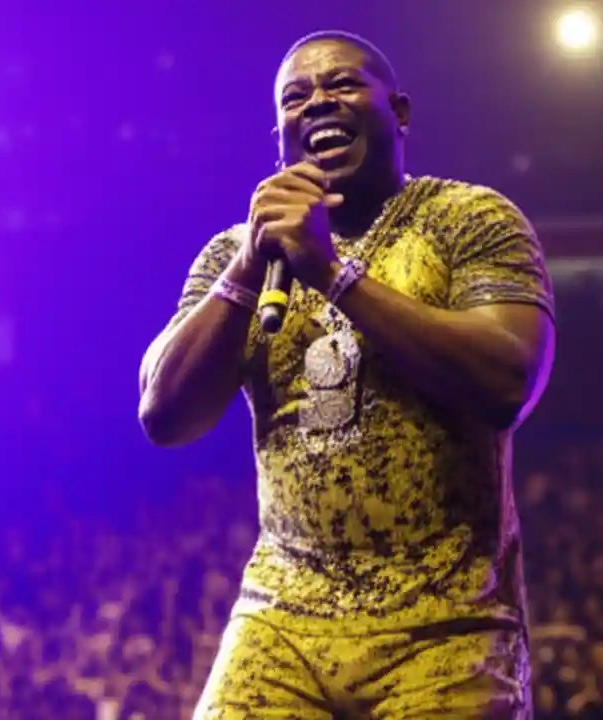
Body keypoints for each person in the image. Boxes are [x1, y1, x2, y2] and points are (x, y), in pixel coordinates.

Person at [139, 29, 555, 719]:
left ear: (400, 111)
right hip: (282, 620)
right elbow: (163, 414)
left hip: (445, 624)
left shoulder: (469, 219)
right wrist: (250, 265)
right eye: (296, 97)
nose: (319, 104)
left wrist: (331, 273)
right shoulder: (233, 257)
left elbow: (507, 382)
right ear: (278, 136)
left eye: (342, 85)